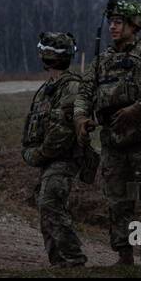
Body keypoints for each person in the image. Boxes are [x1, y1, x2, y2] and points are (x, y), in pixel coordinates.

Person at [74, 0, 141, 265]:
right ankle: (125, 255)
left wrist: (138, 108)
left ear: (133, 25)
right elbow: (84, 92)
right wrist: (82, 118)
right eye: (110, 22)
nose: (112, 27)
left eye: (118, 22)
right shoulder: (101, 61)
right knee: (118, 201)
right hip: (113, 143)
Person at [21, 31, 92, 268]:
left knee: (51, 206)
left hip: (63, 159)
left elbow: (62, 132)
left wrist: (39, 154)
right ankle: (59, 262)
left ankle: (73, 259)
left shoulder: (71, 87)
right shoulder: (47, 88)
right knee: (46, 210)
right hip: (49, 161)